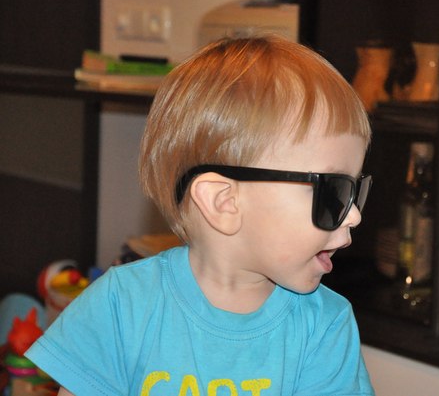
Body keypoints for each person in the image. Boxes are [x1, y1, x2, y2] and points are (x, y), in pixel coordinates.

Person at [26, 35, 375, 396]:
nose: (354, 216)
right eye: (334, 192)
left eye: (356, 189)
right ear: (224, 202)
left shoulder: (325, 326)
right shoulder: (120, 306)